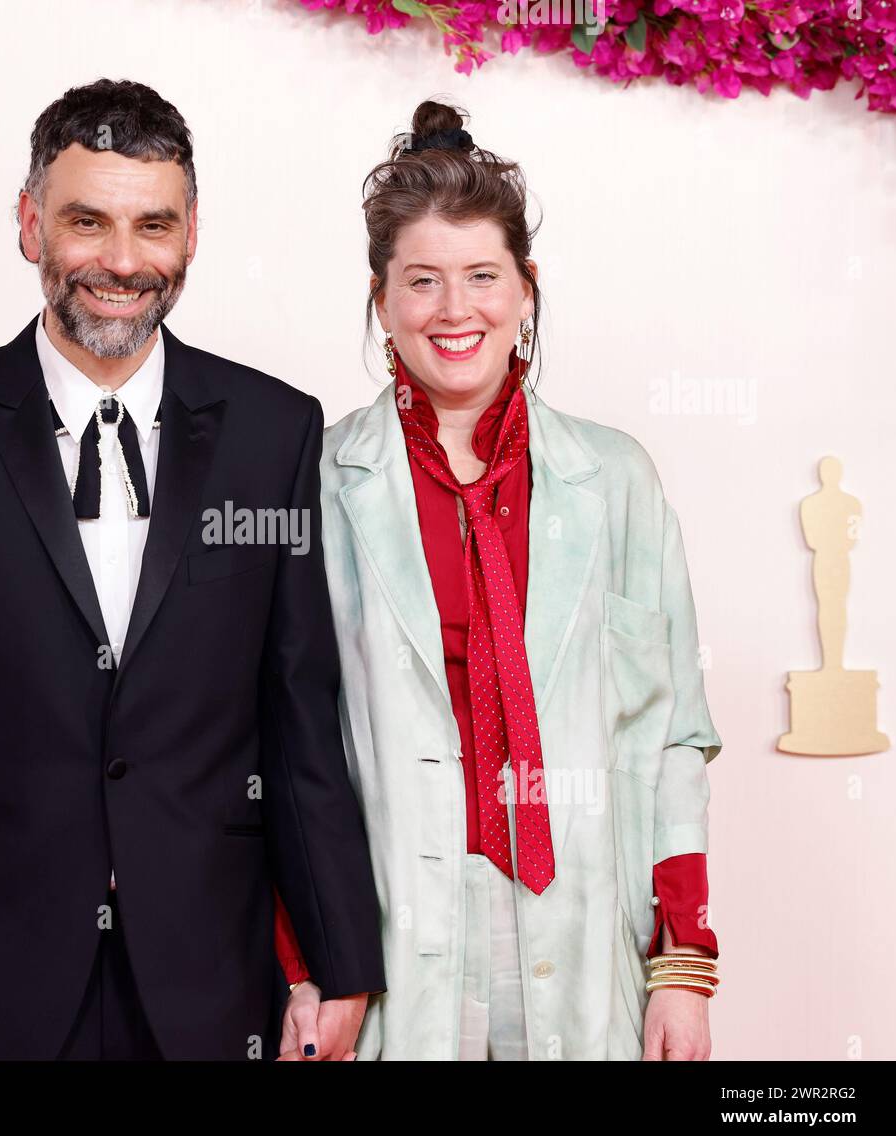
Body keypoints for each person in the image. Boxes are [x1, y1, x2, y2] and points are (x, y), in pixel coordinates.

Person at [0, 78, 385, 1061]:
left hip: (212, 988)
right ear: (29, 223)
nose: (121, 262)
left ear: (192, 233)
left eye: (152, 225)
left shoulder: (274, 430)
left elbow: (299, 722)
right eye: (87, 221)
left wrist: (341, 963)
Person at [282, 98, 723, 1060]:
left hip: (583, 935)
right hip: (392, 939)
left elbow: (674, 736)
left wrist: (680, 967)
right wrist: (306, 966)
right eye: (423, 281)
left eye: (482, 276)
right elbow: (280, 750)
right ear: (380, 296)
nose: (455, 310)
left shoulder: (615, 480)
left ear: (526, 288)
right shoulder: (313, 482)